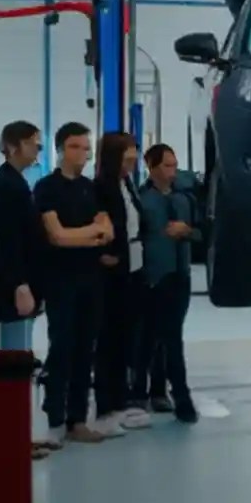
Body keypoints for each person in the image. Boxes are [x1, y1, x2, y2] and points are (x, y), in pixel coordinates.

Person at [35, 122, 112, 444]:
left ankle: (77, 419)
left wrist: (82, 236)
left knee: (85, 350)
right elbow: (56, 235)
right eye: (74, 147)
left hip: (90, 280)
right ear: (60, 149)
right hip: (60, 280)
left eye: (85, 147)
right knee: (63, 347)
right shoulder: (46, 188)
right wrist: (88, 235)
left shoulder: (90, 188)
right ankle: (54, 415)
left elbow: (107, 231)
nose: (81, 153)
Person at [0, 121, 54, 459]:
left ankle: (19, 436)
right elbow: (8, 244)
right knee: (13, 364)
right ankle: (12, 440)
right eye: (34, 144)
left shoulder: (17, 183)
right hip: (15, 288)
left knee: (18, 362)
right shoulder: (6, 186)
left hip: (25, 284)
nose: (37, 150)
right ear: (14, 146)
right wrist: (20, 285)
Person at [92, 132, 153, 435]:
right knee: (109, 340)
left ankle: (122, 398)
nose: (132, 159)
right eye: (128, 154)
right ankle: (106, 405)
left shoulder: (127, 185)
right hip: (114, 274)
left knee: (128, 338)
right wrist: (105, 254)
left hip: (134, 269)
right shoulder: (101, 188)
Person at [136, 144, 200, 423]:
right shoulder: (141, 200)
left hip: (180, 277)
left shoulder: (186, 200)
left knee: (170, 336)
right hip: (152, 279)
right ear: (152, 167)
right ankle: (166, 393)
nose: (173, 171)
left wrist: (190, 231)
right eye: (167, 166)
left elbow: (204, 233)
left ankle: (160, 391)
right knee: (152, 337)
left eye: (174, 165)